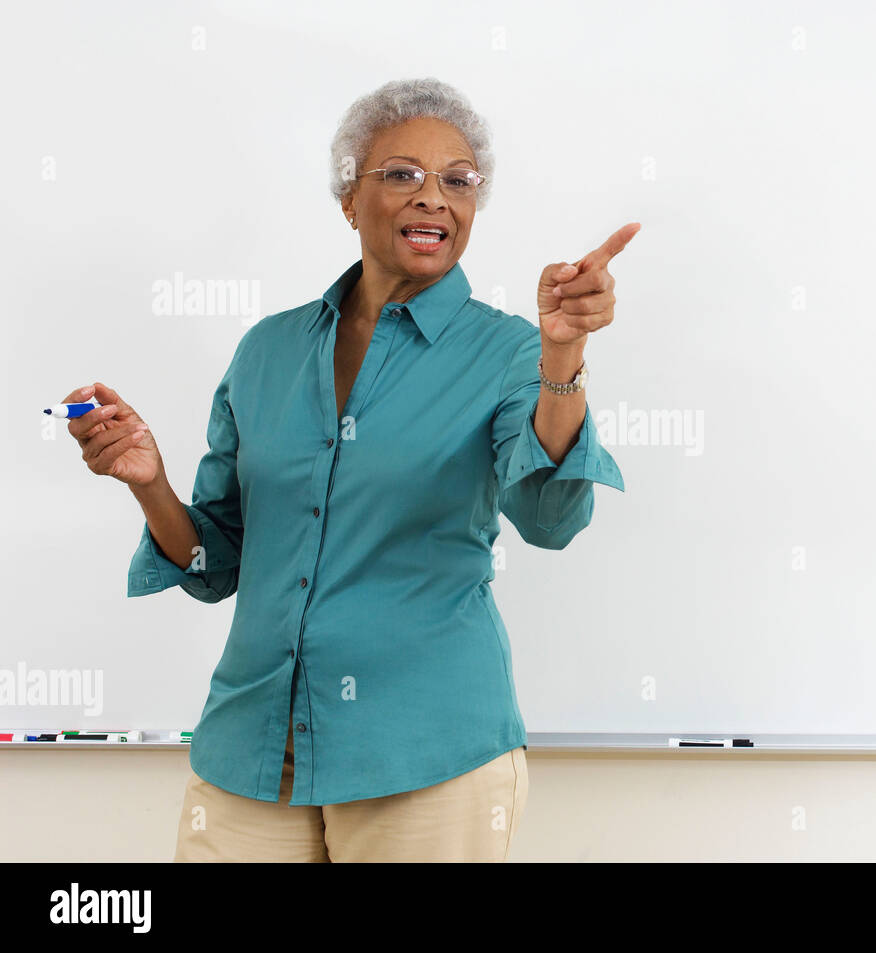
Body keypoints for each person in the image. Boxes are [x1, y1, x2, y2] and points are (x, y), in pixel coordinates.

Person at [61, 77, 638, 861]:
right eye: (401, 173)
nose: (433, 197)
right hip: (251, 750)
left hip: (426, 755)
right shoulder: (266, 351)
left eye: (458, 181)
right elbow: (213, 561)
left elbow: (552, 519)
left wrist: (562, 358)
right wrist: (149, 482)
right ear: (348, 198)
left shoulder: (507, 352)